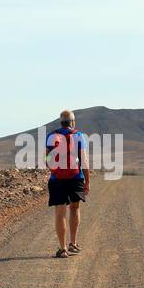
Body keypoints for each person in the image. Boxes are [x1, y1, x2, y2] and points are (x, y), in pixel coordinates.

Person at [45, 109, 89, 258]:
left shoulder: (51, 136)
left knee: (60, 212)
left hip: (57, 180)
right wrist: (87, 181)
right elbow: (84, 161)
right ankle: (73, 243)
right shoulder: (79, 136)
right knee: (75, 208)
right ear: (73, 122)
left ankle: (63, 249)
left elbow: (47, 161)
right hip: (77, 178)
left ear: (60, 122)